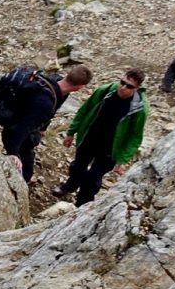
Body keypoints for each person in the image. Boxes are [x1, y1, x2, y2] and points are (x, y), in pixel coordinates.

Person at [52, 69, 149, 206]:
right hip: (89, 139)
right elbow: (85, 110)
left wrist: (122, 159)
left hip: (110, 149)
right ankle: (70, 186)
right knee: (78, 167)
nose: (123, 87)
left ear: (137, 88)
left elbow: (135, 136)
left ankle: (82, 205)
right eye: (122, 82)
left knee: (93, 179)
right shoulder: (105, 91)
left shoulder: (140, 109)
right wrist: (71, 132)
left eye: (129, 86)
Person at [0, 64, 93, 183]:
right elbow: (22, 128)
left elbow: (52, 111)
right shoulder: (45, 102)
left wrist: (43, 127)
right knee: (25, 171)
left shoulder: (56, 82)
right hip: (17, 133)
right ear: (80, 87)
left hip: (23, 123)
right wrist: (14, 153)